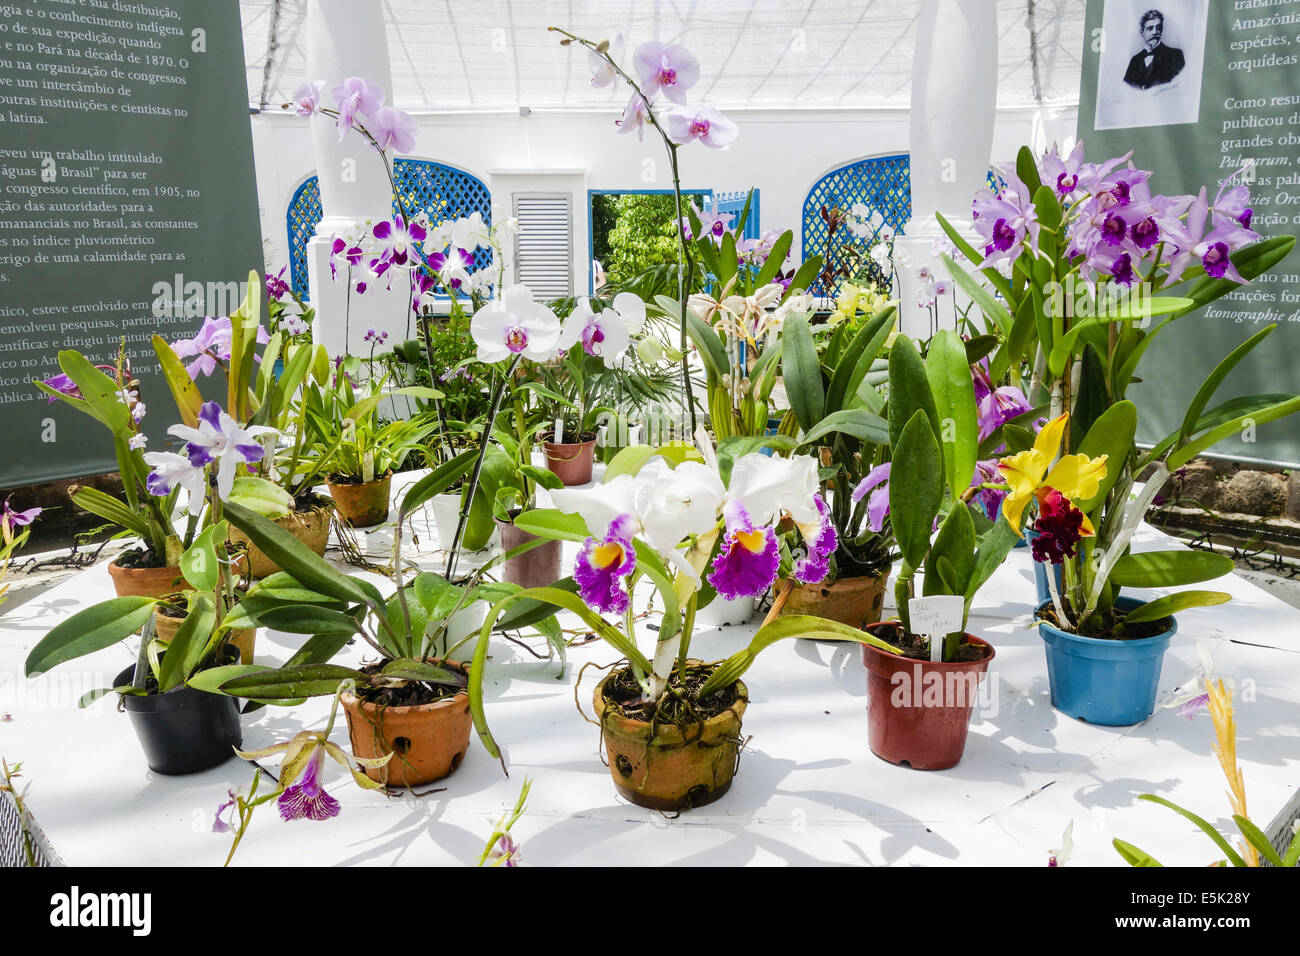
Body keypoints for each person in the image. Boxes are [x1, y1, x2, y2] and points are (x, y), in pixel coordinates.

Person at [1123, 9, 1185, 90]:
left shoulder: (1175, 55)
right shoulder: (1135, 60)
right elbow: (1126, 89)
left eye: (1158, 28)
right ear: (1142, 32)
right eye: (1150, 28)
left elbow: (1177, 87)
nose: (1155, 32)